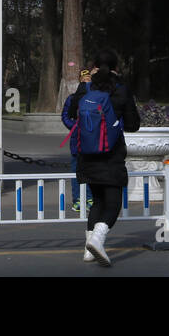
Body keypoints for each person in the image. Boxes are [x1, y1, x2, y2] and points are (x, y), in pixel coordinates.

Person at [66, 49, 140, 267]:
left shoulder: (87, 88)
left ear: (94, 66)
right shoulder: (120, 90)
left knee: (97, 201)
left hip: (87, 155)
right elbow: (133, 124)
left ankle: (88, 249)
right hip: (111, 154)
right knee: (113, 203)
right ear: (116, 67)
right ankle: (98, 240)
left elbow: (71, 112)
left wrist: (85, 83)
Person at [61, 66, 96, 211]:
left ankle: (90, 197)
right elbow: (65, 116)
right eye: (84, 80)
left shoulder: (96, 97)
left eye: (89, 80)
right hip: (77, 139)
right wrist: (75, 125)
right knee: (76, 170)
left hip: (92, 139)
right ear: (80, 81)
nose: (86, 83)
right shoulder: (72, 98)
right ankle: (77, 199)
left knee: (91, 170)